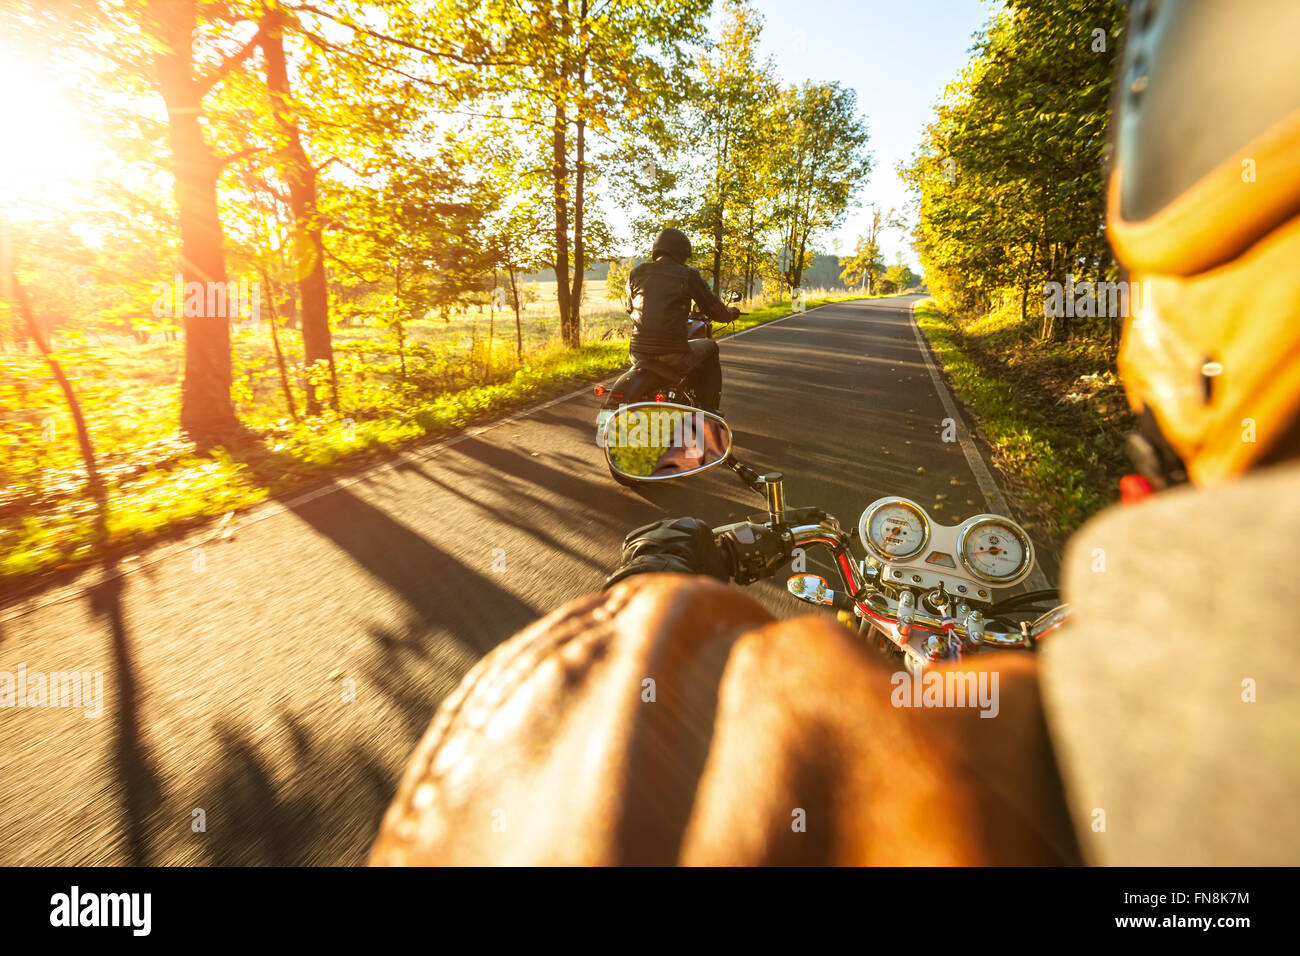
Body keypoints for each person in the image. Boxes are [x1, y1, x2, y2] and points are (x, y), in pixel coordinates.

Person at [370, 0, 1300, 866]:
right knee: (710, 358)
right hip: (674, 359)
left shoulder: (642, 277)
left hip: (634, 356)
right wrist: (723, 312)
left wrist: (648, 586)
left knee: (686, 365)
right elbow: (713, 311)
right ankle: (706, 418)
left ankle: (686, 423)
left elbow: (589, 754)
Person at [623, 227, 739, 415]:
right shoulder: (687, 274)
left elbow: (630, 308)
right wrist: (732, 313)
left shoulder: (636, 273)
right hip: (672, 355)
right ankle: (710, 409)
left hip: (637, 354)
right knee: (710, 347)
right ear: (680, 252)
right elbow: (715, 310)